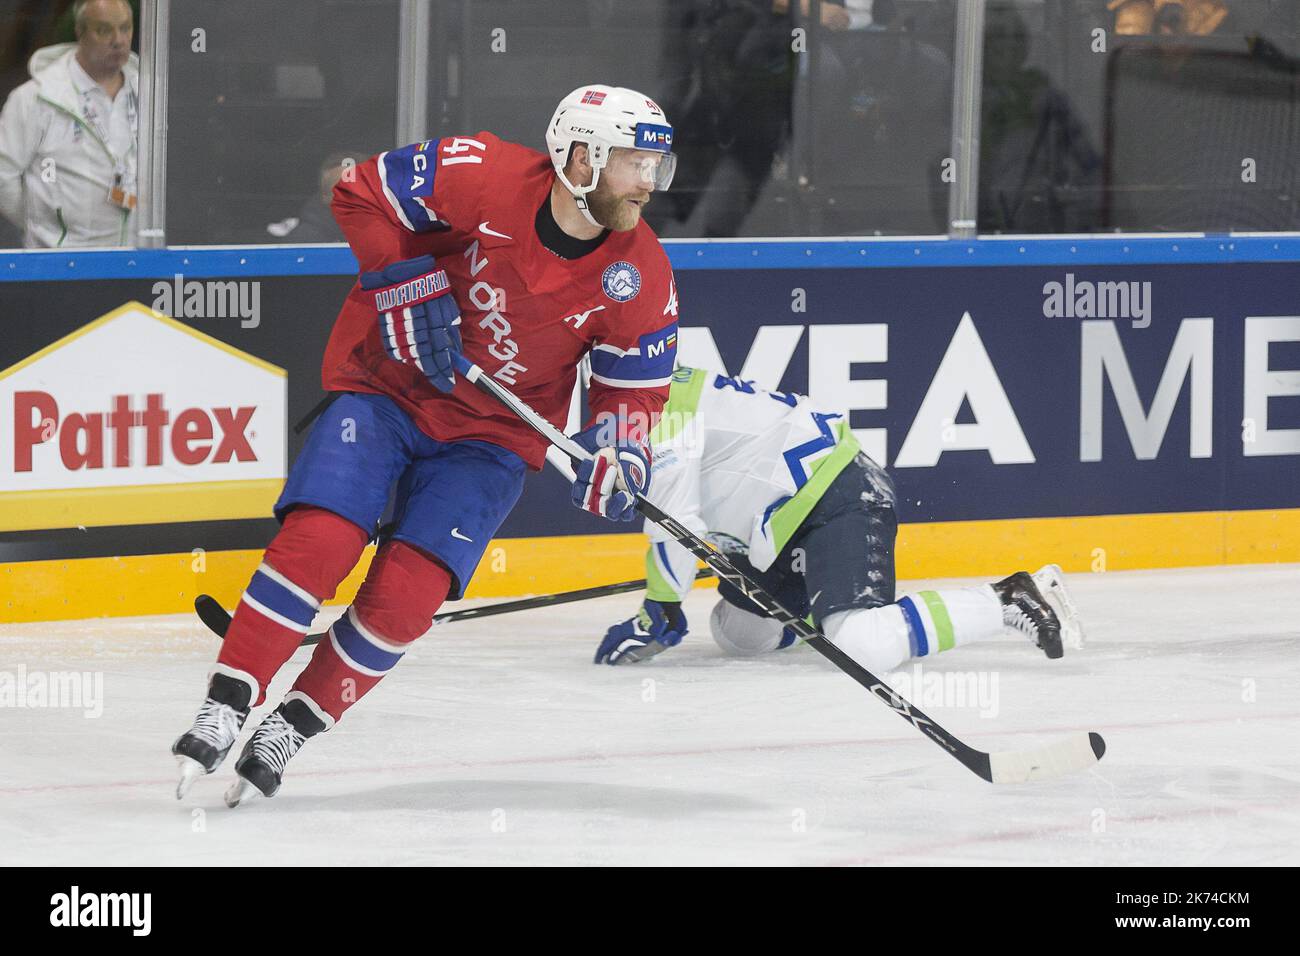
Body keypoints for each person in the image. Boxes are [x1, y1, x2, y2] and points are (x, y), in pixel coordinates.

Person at [172, 85, 682, 805]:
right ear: (580, 156)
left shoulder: (642, 273)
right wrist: (401, 280)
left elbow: (632, 392)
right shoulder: (482, 172)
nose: (649, 184)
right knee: (321, 539)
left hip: (495, 437)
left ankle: (292, 723)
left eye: (656, 166)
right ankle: (229, 698)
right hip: (389, 387)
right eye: (634, 163)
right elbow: (360, 192)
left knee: (408, 598)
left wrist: (623, 450)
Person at [594, 367, 1082, 670]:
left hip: (837, 492)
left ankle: (1010, 596)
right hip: (780, 526)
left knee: (862, 643)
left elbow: (673, 524)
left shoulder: (656, 412)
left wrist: (657, 609)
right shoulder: (654, 391)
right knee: (739, 634)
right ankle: (822, 609)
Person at [0, 0, 137, 248]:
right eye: (104, 30)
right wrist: (44, 224)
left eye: (126, 28)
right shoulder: (33, 99)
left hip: (139, 260)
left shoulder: (154, 91)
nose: (119, 40)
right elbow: (2, 176)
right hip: (59, 264)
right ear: (80, 33)